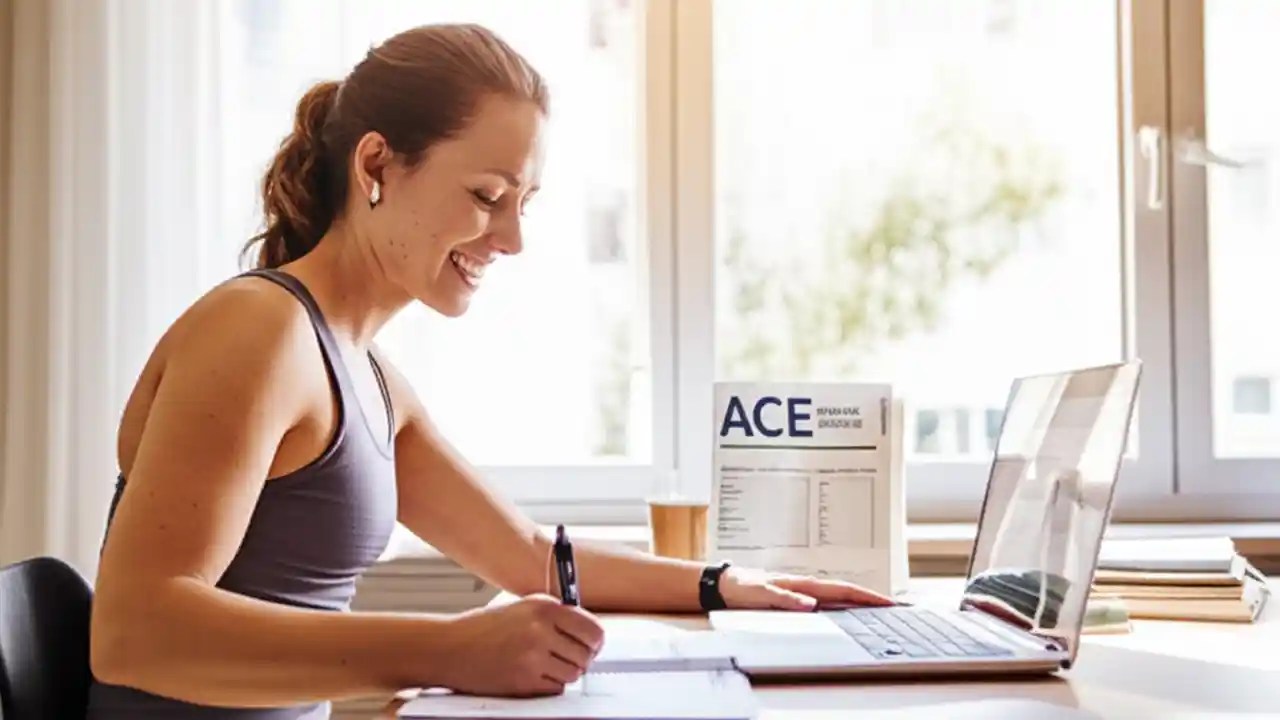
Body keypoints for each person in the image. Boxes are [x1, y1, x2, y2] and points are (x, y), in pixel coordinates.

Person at [86, 23, 894, 720]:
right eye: (485, 195)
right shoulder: (258, 331)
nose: (511, 239)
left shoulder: (364, 372)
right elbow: (135, 635)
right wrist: (448, 650)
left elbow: (528, 556)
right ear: (376, 166)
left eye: (523, 203)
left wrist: (724, 584)